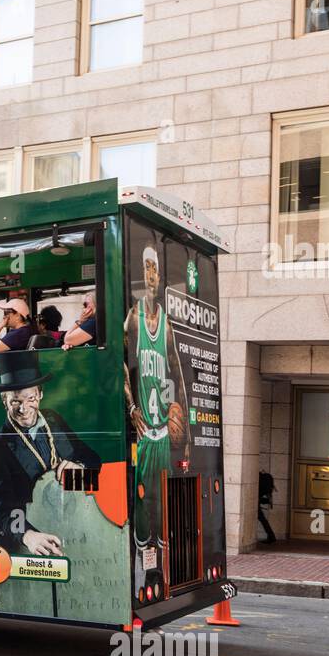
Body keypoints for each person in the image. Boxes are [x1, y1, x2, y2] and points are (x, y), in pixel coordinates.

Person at [0, 352, 101, 556]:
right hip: (34, 544)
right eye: (15, 401)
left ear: (40, 394)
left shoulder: (54, 421)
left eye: (30, 398)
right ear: (4, 400)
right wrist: (28, 535)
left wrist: (81, 470)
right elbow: (2, 509)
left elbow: (93, 461)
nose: (24, 408)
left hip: (76, 530)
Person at [123, 245, 189, 577]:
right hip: (143, 432)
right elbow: (119, 363)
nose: (150, 273)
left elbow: (176, 375)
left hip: (164, 429)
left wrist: (184, 428)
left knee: (162, 503)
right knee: (142, 503)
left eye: (154, 268)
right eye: (145, 266)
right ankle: (144, 569)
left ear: (160, 276)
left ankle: (162, 570)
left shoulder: (167, 325)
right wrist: (131, 405)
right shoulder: (133, 317)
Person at [258, 471, 278, 545]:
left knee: (263, 520)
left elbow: (258, 495)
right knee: (263, 520)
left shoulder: (259, 479)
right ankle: (271, 536)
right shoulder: (263, 480)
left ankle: (271, 536)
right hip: (258, 501)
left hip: (255, 502)